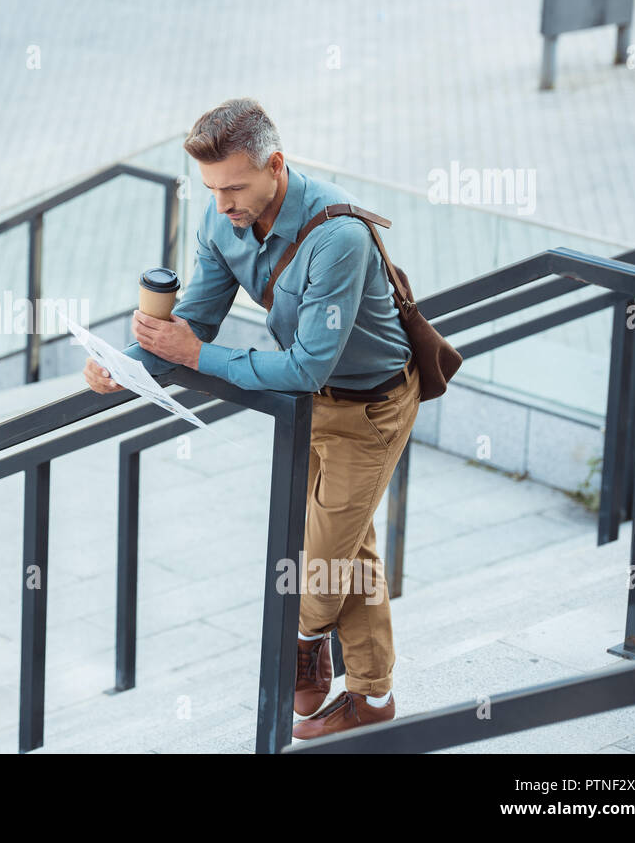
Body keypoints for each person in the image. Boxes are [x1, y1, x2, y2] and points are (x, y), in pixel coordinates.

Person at [82, 97, 419, 739]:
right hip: (310, 411)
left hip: (371, 407)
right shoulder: (221, 221)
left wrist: (199, 355)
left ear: (277, 165)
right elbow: (197, 321)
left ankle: (303, 638)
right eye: (211, 188)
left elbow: (305, 367)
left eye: (235, 186)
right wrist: (121, 365)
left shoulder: (337, 238)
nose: (223, 203)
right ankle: (373, 703)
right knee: (351, 546)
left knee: (321, 562)